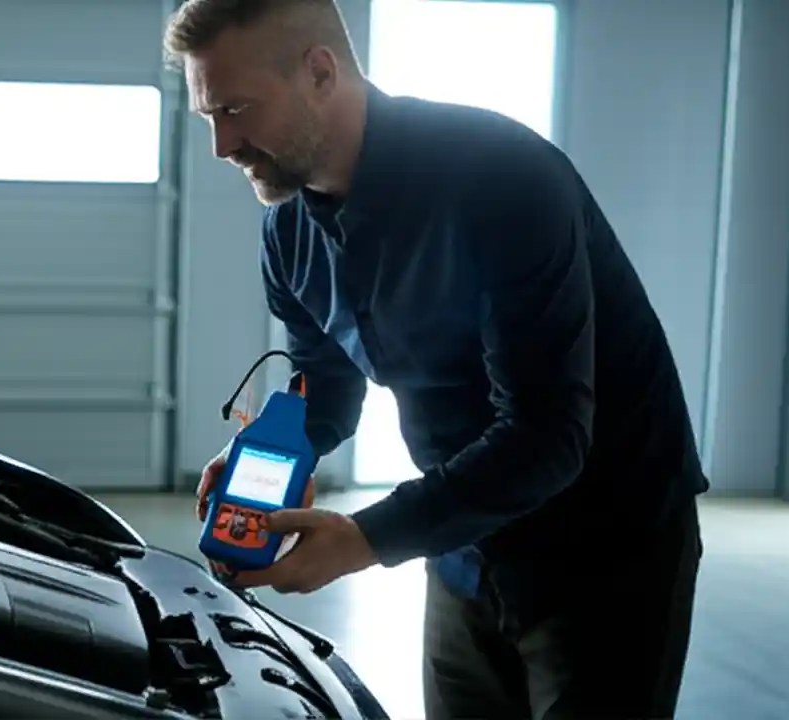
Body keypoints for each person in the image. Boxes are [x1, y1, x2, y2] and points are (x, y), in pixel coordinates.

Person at [163, 1, 709, 718]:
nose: (222, 145)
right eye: (208, 115)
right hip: (463, 540)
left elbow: (548, 434)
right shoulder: (287, 232)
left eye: (236, 108)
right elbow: (324, 386)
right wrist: (272, 453)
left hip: (607, 549)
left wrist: (365, 539)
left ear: (320, 73)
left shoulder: (501, 180)